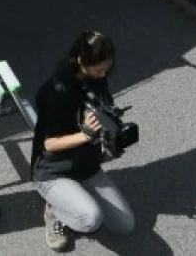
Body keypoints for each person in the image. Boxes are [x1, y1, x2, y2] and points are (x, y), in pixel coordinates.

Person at [32, 30, 136, 252]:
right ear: (81, 61)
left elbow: (101, 103)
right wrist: (85, 134)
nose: (103, 75)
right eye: (99, 70)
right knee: (91, 219)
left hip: (85, 164)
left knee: (125, 227)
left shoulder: (95, 77)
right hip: (53, 169)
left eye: (106, 70)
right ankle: (55, 208)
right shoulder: (55, 92)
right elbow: (48, 145)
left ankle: (75, 195)